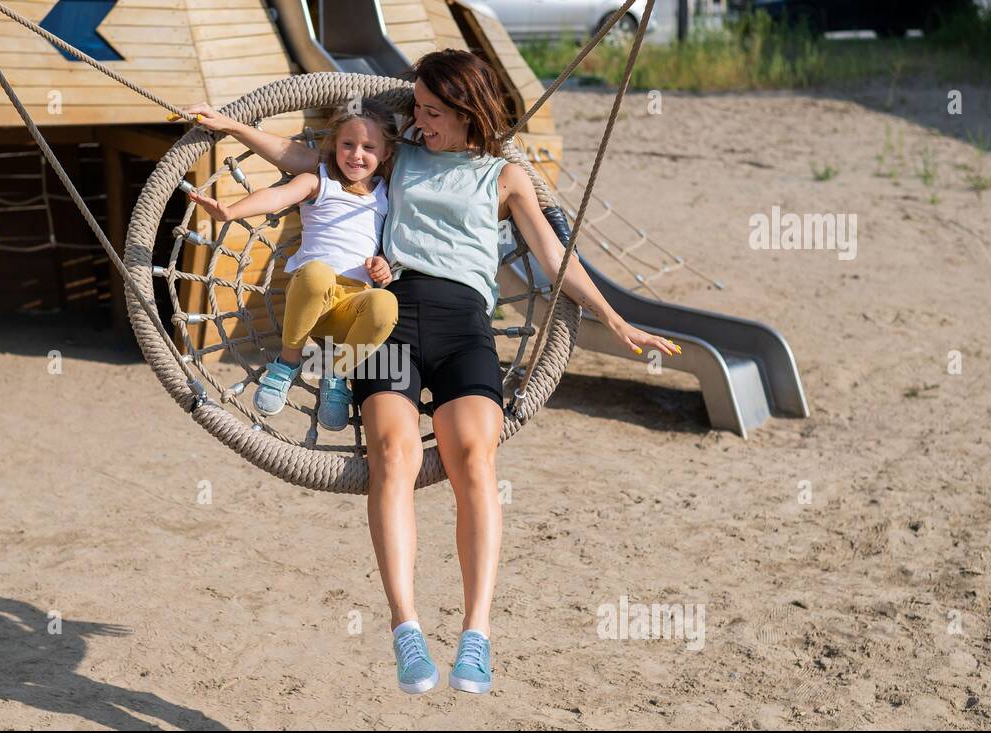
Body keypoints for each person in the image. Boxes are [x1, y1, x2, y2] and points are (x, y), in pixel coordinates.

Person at [179, 49, 679, 694]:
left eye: (434, 111)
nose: (420, 121)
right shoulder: (400, 154)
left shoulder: (505, 176)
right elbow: (307, 161)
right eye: (416, 108)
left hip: (464, 324)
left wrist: (617, 320)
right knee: (393, 453)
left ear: (469, 112)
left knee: (473, 455)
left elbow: (557, 263)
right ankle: (405, 626)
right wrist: (233, 126)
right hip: (389, 317)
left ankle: (476, 635)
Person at [183, 98, 401, 430]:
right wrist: (232, 210)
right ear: (333, 146)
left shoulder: (386, 194)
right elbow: (277, 196)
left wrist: (382, 266)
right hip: (311, 300)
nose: (357, 154)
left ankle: (337, 374)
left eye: (369, 147)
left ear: (385, 153)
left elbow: (386, 246)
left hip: (350, 310)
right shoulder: (319, 181)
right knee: (316, 273)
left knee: (386, 303)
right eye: (348, 144)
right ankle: (287, 362)